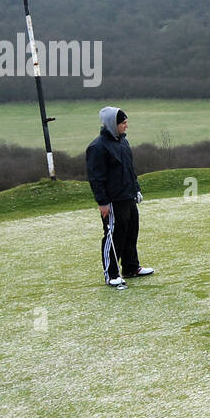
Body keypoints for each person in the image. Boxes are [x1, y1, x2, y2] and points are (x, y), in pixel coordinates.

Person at [86, 106, 152, 289]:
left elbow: (130, 170)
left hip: (128, 196)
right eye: (123, 123)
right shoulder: (97, 147)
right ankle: (112, 274)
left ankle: (131, 267)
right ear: (112, 124)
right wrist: (103, 202)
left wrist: (136, 189)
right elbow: (96, 177)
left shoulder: (123, 142)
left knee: (131, 232)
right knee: (113, 235)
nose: (126, 126)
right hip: (113, 201)